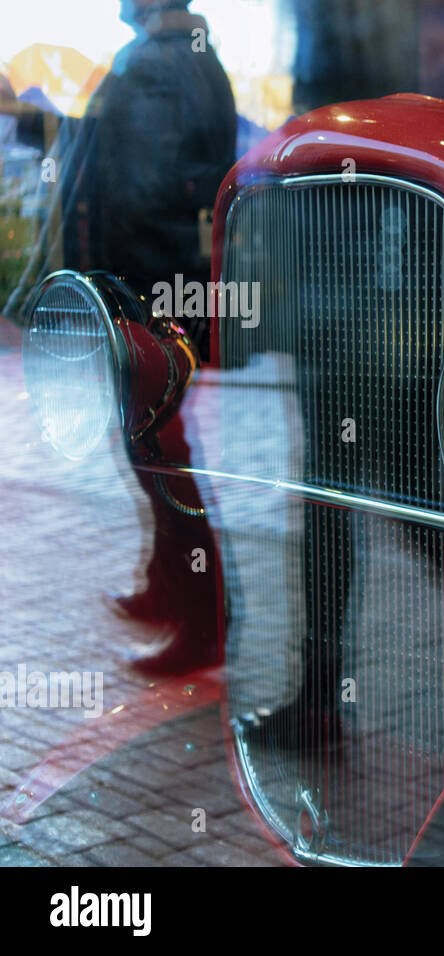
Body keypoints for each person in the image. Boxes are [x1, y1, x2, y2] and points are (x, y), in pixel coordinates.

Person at [57, 0, 237, 672]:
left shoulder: (156, 64)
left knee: (161, 450)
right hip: (168, 284)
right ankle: (172, 586)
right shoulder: (190, 55)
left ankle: (201, 619)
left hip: (143, 285)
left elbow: (137, 192)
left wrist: (113, 293)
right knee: (154, 445)